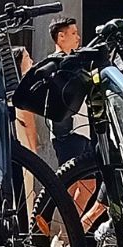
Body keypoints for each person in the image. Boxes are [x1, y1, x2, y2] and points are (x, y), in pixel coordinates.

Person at [43, 18, 94, 169]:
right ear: (61, 37)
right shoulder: (52, 64)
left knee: (90, 182)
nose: (78, 37)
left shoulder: (75, 61)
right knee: (69, 178)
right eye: (73, 33)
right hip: (68, 132)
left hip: (84, 130)